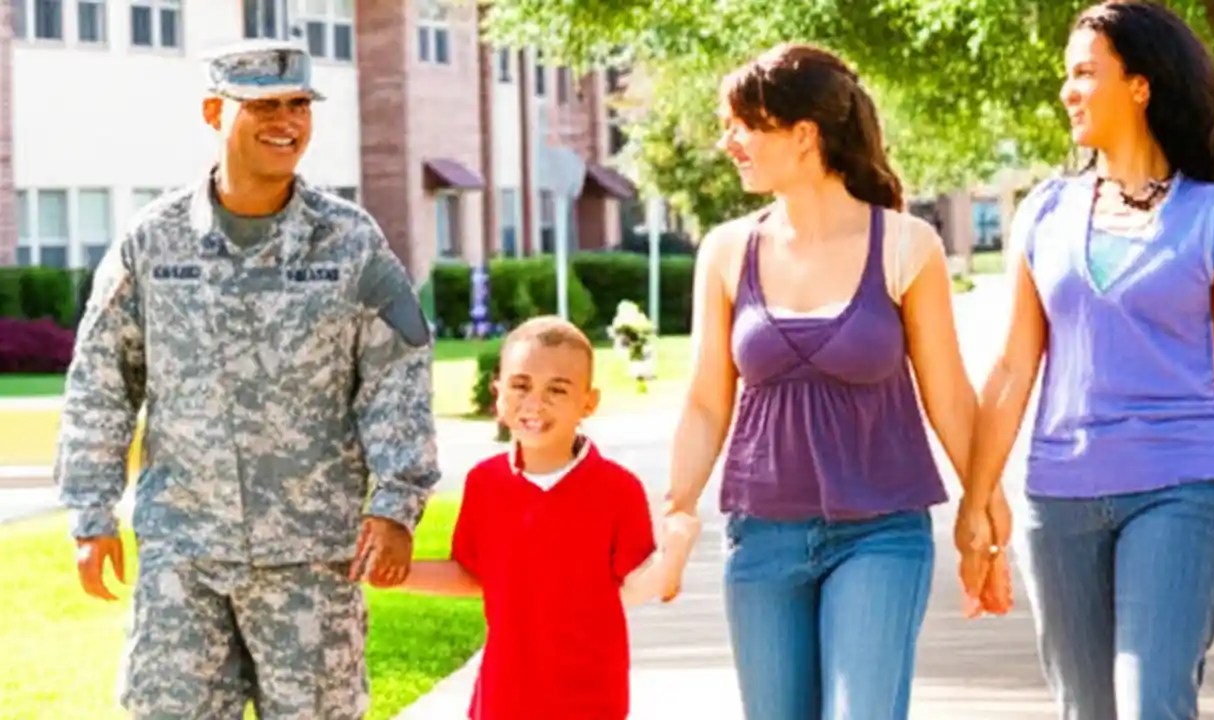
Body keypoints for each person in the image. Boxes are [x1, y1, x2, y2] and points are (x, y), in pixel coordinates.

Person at [54, 40, 439, 719]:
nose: (285, 120)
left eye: (298, 104)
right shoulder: (154, 242)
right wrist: (91, 515)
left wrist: (395, 504)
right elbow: (102, 383)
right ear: (214, 111)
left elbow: (396, 377)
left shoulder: (350, 244)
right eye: (262, 105)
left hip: (312, 561)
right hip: (185, 557)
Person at [658, 43, 1011, 720]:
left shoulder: (908, 245)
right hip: (763, 536)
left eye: (742, 124)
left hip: (881, 533)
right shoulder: (729, 251)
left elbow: (951, 398)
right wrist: (677, 514)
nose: (727, 142)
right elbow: (706, 402)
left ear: (803, 134)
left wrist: (984, 510)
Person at [960, 1, 1214, 717]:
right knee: (1086, 707)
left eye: (1084, 73)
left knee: (1150, 702)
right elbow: (1013, 368)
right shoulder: (1043, 212)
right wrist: (977, 500)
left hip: (1184, 487)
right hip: (1061, 493)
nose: (1067, 91)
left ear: (1141, 85)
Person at [395, 315, 702, 720]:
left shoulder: (617, 489)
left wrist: (673, 556)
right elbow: (474, 575)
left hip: (590, 701)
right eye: (521, 386)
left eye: (557, 390)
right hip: (503, 698)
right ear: (498, 393)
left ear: (588, 403)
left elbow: (635, 585)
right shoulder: (484, 484)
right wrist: (395, 571)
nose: (534, 403)